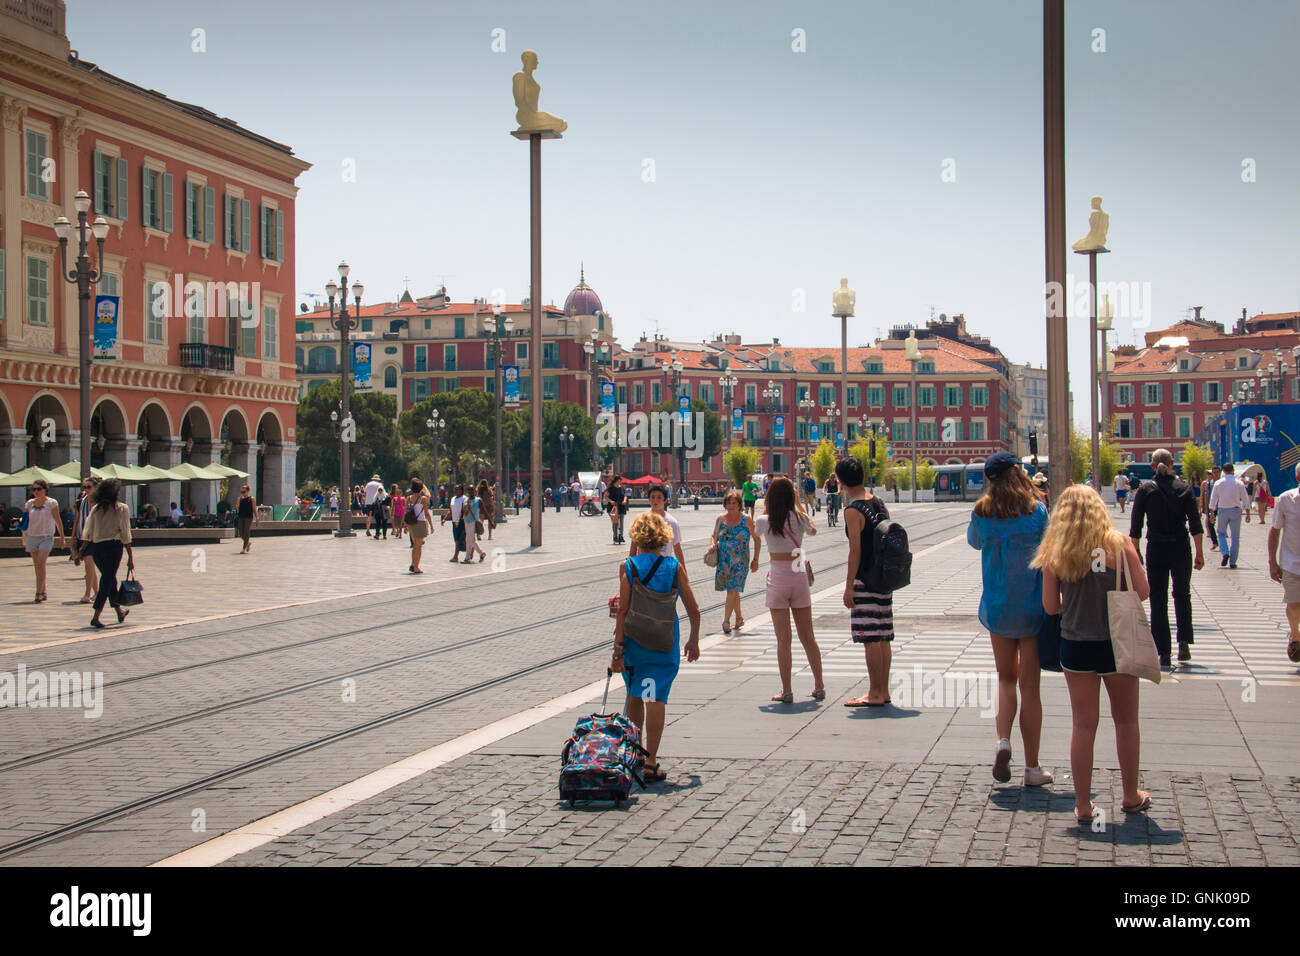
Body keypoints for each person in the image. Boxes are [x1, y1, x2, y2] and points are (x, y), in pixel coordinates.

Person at [1032, 485, 1151, 824]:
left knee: (1083, 724)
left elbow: (1050, 607)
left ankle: (1083, 805)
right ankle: (1130, 796)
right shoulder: (1121, 544)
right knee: (1126, 720)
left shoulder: (1056, 550)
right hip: (1118, 642)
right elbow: (1143, 591)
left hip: (1076, 642)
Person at [967, 452, 1052, 787]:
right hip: (1031, 606)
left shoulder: (982, 511)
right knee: (1030, 686)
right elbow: (1049, 549)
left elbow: (974, 542)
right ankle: (1032, 768)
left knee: (1005, 678)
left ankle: (1003, 740)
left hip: (998, 606)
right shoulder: (1036, 511)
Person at [610, 512, 702, 783]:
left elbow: (623, 611)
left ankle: (635, 755)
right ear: (663, 537)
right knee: (656, 696)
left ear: (637, 537)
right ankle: (650, 762)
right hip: (663, 643)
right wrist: (693, 639)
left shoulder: (628, 566)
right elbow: (694, 610)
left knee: (635, 694)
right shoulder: (674, 566)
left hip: (635, 642)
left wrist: (617, 651)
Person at [1129, 449, 1204, 668]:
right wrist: (1200, 552)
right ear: (1173, 463)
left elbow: (1135, 527)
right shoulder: (1184, 489)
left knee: (1158, 600)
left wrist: (1136, 552)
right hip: (1181, 548)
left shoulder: (1145, 490)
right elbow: (1195, 525)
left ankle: (1163, 652)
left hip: (1156, 549)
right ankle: (1183, 642)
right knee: (1182, 594)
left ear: (1152, 466)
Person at [754, 476, 825, 702]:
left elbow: (757, 530)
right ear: (791, 496)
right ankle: (819, 685)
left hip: (777, 580)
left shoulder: (764, 520)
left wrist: (770, 503)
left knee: (783, 640)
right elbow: (813, 530)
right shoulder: (800, 517)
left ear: (771, 497)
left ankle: (786, 690)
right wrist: (798, 503)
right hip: (799, 579)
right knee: (808, 637)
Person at [839, 457, 894, 707]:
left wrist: (849, 585)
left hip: (866, 578)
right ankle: (883, 690)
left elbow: (854, 551)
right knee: (883, 635)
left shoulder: (853, 510)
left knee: (870, 637)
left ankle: (873, 693)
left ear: (841, 482)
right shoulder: (879, 503)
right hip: (884, 577)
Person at [81, 478, 135, 628]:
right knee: (106, 581)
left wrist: (81, 550)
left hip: (97, 548)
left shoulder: (96, 509)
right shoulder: (121, 508)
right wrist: (130, 556)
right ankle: (96, 615)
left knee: (110, 580)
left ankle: (119, 612)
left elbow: (88, 531)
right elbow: (126, 534)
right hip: (113, 548)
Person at [707, 490, 760, 633]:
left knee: (732, 589)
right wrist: (712, 544)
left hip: (741, 562)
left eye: (734, 503)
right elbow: (714, 535)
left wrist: (756, 560)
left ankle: (725, 621)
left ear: (739, 505)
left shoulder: (746, 520)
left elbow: (757, 539)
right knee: (733, 590)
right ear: (725, 504)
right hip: (724, 561)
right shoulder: (720, 519)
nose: (731, 505)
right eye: (729, 503)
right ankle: (739, 618)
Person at [1268, 462, 1300, 664]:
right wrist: (1272, 562)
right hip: (1292, 563)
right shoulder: (1286, 500)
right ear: (1298, 478)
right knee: (1294, 605)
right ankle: (1295, 635)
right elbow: (1275, 530)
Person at [23, 478, 67, 603]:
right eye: (34, 489)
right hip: (32, 536)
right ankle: (43, 590)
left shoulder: (52, 503)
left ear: (45, 490)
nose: (36, 491)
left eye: (39, 489)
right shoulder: (29, 504)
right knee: (37, 566)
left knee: (41, 563)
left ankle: (38, 592)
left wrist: (62, 538)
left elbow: (58, 521)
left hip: (46, 536)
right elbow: (26, 521)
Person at [631, 483, 685, 568]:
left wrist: (683, 573)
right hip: (644, 568)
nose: (655, 500)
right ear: (649, 499)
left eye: (659, 497)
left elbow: (677, 549)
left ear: (665, 500)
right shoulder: (641, 520)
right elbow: (634, 546)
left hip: (664, 569)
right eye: (652, 497)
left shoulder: (672, 522)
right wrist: (632, 570)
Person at [1209, 462, 1249, 569]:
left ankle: (1225, 552)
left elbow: (1213, 499)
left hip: (1222, 510)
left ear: (1223, 471)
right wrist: (1248, 512)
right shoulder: (1239, 483)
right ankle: (1233, 562)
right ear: (1233, 471)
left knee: (1221, 533)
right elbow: (1245, 498)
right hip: (1236, 510)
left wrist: (1211, 512)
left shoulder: (1218, 483)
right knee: (1235, 537)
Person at [73, 476, 100, 604]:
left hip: (94, 537)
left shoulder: (100, 502)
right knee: (89, 566)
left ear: (96, 487)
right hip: (81, 536)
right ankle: (97, 592)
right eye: (84, 487)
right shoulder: (81, 502)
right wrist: (72, 538)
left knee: (89, 563)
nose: (86, 489)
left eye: (88, 487)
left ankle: (87, 594)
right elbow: (77, 520)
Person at [405, 477, 433, 573]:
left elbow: (405, 513)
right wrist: (431, 525)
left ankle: (413, 564)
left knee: (415, 545)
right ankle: (416, 567)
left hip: (411, 524)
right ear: (421, 488)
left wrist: (405, 526)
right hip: (420, 523)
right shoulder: (423, 499)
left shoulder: (408, 498)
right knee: (419, 546)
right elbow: (426, 513)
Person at [463, 484, 487, 563]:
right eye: (469, 490)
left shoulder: (478, 500)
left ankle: (467, 557)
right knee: (472, 540)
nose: (471, 491)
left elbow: (484, 510)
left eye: (472, 490)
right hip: (466, 521)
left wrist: (490, 520)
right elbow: (464, 511)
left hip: (473, 521)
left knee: (468, 539)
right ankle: (482, 553)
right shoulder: (466, 500)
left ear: (475, 491)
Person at [445, 483, 467, 563]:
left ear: (462, 490)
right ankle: (456, 556)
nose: (456, 491)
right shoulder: (453, 498)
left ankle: (470, 553)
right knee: (456, 539)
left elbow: (464, 510)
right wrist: (445, 518)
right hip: (454, 521)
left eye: (458, 489)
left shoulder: (464, 498)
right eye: (455, 489)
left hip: (462, 521)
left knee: (463, 539)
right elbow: (450, 510)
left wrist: (459, 519)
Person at [604, 475, 628, 544]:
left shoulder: (622, 488)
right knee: (615, 522)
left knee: (621, 523)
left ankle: (621, 536)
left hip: (621, 506)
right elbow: (605, 496)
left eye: (620, 481)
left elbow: (625, 496)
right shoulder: (610, 488)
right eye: (619, 481)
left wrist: (624, 500)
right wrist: (611, 501)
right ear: (616, 481)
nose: (620, 482)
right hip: (613, 508)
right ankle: (615, 537)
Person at [236, 482, 258, 554]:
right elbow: (237, 508)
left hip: (248, 517)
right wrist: (238, 501)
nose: (242, 493)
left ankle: (244, 548)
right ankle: (248, 543)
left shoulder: (251, 499)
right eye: (241, 492)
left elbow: (254, 508)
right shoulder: (240, 498)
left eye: (244, 492)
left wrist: (257, 518)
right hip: (241, 516)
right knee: (241, 532)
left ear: (247, 491)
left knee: (246, 532)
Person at [1202, 466, 1220, 552]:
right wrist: (1206, 508)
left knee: (1221, 525)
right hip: (1213, 507)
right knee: (1210, 524)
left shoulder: (1222, 483)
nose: (1216, 474)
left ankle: (1222, 541)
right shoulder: (1209, 484)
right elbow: (1206, 496)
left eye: (1217, 472)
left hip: (1222, 506)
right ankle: (1215, 542)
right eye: (1214, 472)